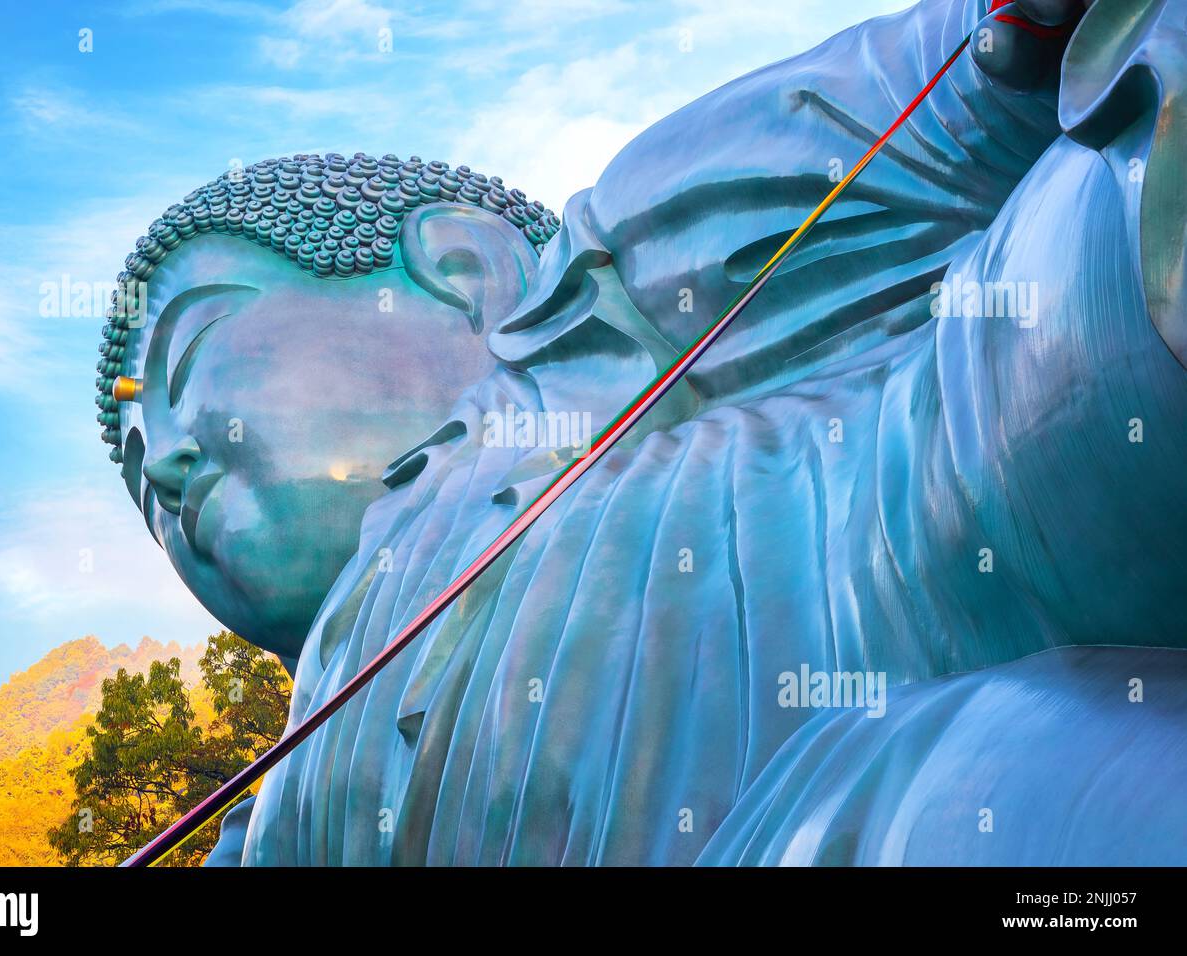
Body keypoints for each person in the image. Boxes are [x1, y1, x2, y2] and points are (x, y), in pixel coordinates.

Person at [97, 0, 1187, 865]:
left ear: (464, 267)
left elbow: (894, 119)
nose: (171, 461)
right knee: (943, 806)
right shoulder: (278, 800)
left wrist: (1000, 47)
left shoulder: (582, 318)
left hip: (909, 513)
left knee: (1075, 312)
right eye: (139, 480)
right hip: (812, 811)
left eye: (191, 364)